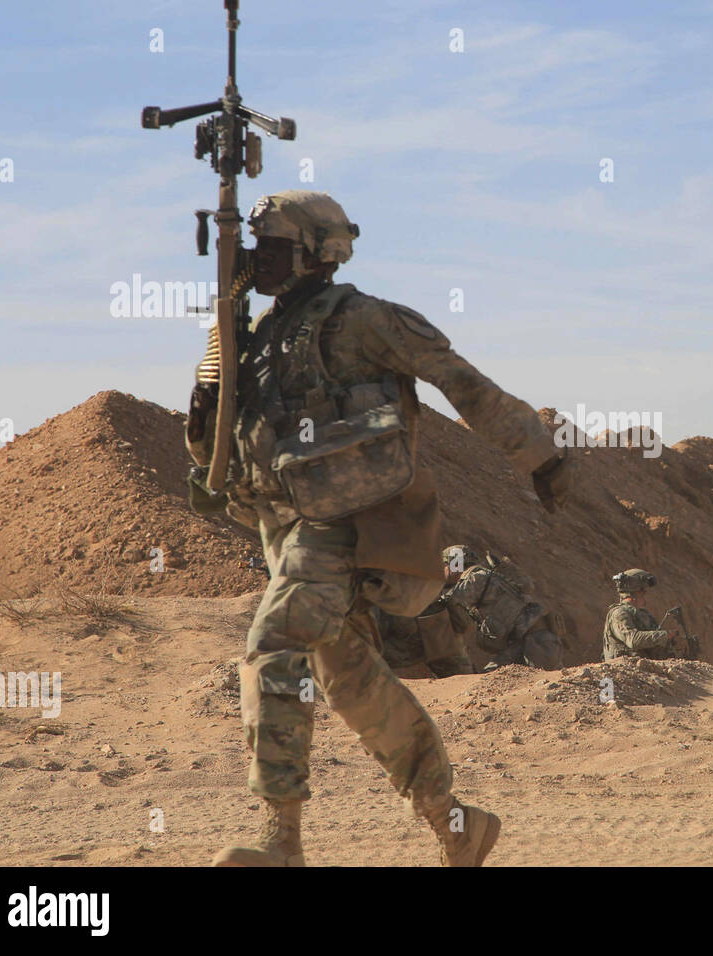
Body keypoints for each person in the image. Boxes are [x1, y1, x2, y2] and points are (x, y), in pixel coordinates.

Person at [185, 190, 574, 867]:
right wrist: (216, 361)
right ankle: (455, 823)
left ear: (315, 252)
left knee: (274, 643)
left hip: (340, 527)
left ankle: (283, 844)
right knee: (354, 683)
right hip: (282, 529)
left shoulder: (362, 319)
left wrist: (536, 455)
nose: (259, 261)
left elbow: (458, 380)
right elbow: (209, 450)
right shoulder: (255, 338)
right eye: (256, 249)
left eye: (273, 249)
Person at [432, 545, 566, 671]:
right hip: (524, 643)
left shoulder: (475, 578)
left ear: (454, 564)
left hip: (537, 643)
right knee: (486, 683)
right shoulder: (485, 577)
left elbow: (452, 602)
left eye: (444, 566)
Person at [602, 569, 686, 660]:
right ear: (636, 592)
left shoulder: (644, 615)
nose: (646, 596)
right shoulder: (619, 614)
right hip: (624, 669)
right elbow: (633, 640)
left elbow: (653, 642)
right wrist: (665, 635)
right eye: (643, 592)